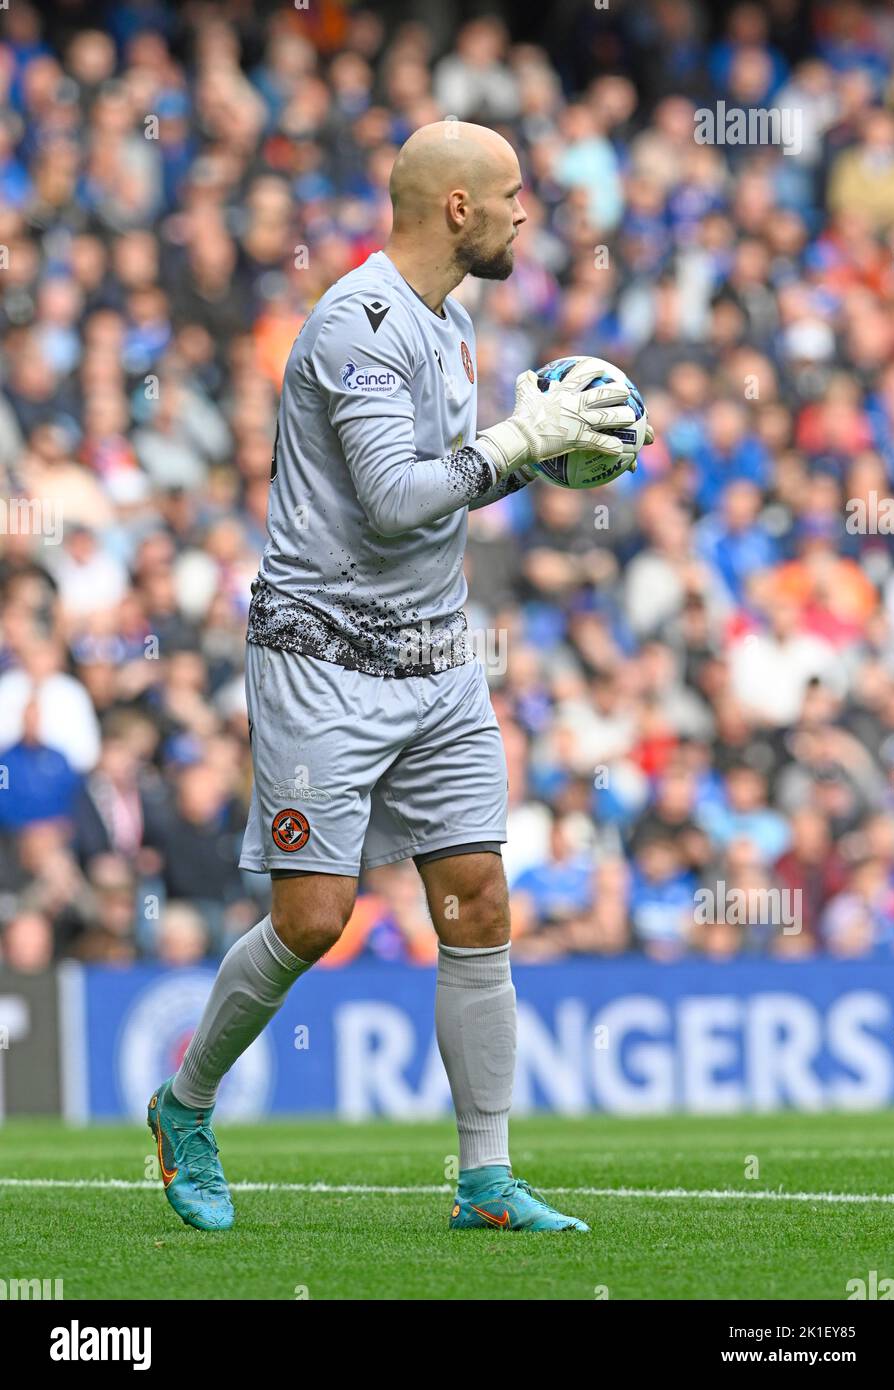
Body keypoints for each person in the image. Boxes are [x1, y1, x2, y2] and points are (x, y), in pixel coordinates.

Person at [147, 120, 650, 1234]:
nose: (530, 211)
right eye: (513, 193)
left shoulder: (452, 322)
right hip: (324, 661)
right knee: (315, 919)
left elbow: (443, 496)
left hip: (438, 657)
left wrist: (547, 454)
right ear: (457, 207)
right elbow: (392, 500)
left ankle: (485, 1179)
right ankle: (184, 1105)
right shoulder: (356, 324)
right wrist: (523, 440)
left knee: (477, 899)